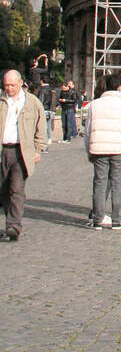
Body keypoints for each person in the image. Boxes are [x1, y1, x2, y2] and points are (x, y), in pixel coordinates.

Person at [84, 73, 121, 229]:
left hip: (99, 149)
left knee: (99, 184)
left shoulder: (94, 104)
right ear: (119, 87)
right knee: (116, 184)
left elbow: (87, 130)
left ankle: (97, 220)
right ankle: (116, 220)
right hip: (119, 148)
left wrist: (89, 150)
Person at [0, 68, 47, 241]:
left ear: (20, 83)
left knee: (16, 189)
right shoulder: (1, 100)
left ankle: (13, 226)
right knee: (3, 190)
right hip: (2, 151)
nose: (9, 88)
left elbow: (41, 128)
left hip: (22, 152)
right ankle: (10, 218)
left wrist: (38, 149)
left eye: (12, 85)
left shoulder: (32, 103)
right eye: (6, 85)